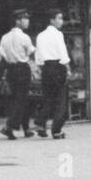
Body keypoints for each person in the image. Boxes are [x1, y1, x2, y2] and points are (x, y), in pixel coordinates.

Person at [0, 8, 37, 140]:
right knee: (21, 99)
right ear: (18, 21)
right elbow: (32, 53)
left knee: (18, 98)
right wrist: (37, 68)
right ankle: (9, 126)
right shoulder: (24, 37)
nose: (27, 22)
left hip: (10, 70)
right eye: (25, 19)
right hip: (23, 69)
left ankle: (26, 129)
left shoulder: (5, 37)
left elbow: (0, 56)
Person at [34, 9, 71, 139]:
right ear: (52, 20)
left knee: (48, 97)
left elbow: (37, 55)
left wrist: (39, 68)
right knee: (61, 99)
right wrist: (67, 67)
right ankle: (56, 129)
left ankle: (40, 121)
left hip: (46, 68)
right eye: (59, 18)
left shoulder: (40, 36)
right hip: (58, 67)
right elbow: (62, 52)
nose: (61, 21)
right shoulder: (58, 34)